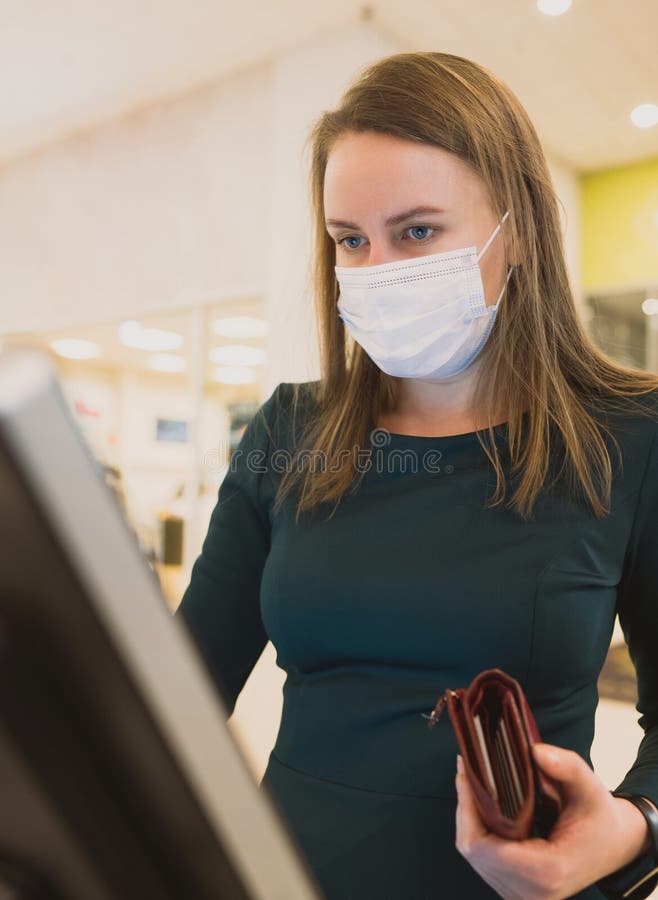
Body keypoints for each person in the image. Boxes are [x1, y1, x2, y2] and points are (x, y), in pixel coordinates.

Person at [176, 51, 658, 899]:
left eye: (418, 231)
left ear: (518, 235)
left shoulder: (630, 438)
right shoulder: (291, 432)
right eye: (349, 241)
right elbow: (177, 697)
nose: (378, 271)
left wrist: (630, 829)